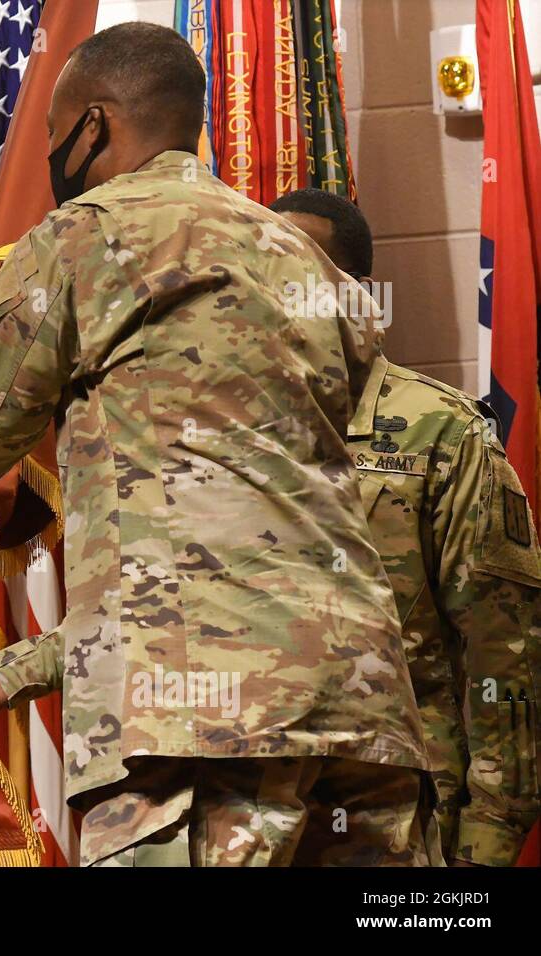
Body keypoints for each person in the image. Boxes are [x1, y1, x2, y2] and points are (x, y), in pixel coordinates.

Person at [0, 22, 437, 866]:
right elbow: (246, 548)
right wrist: (12, 671)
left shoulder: (81, 238)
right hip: (364, 717)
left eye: (52, 137)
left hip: (195, 732)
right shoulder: (307, 260)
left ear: (92, 127)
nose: (50, 160)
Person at [271, 187, 541, 866]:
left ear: (357, 295)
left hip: (405, 829)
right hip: (259, 824)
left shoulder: (440, 432)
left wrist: (486, 847)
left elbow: (505, 659)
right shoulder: (230, 432)